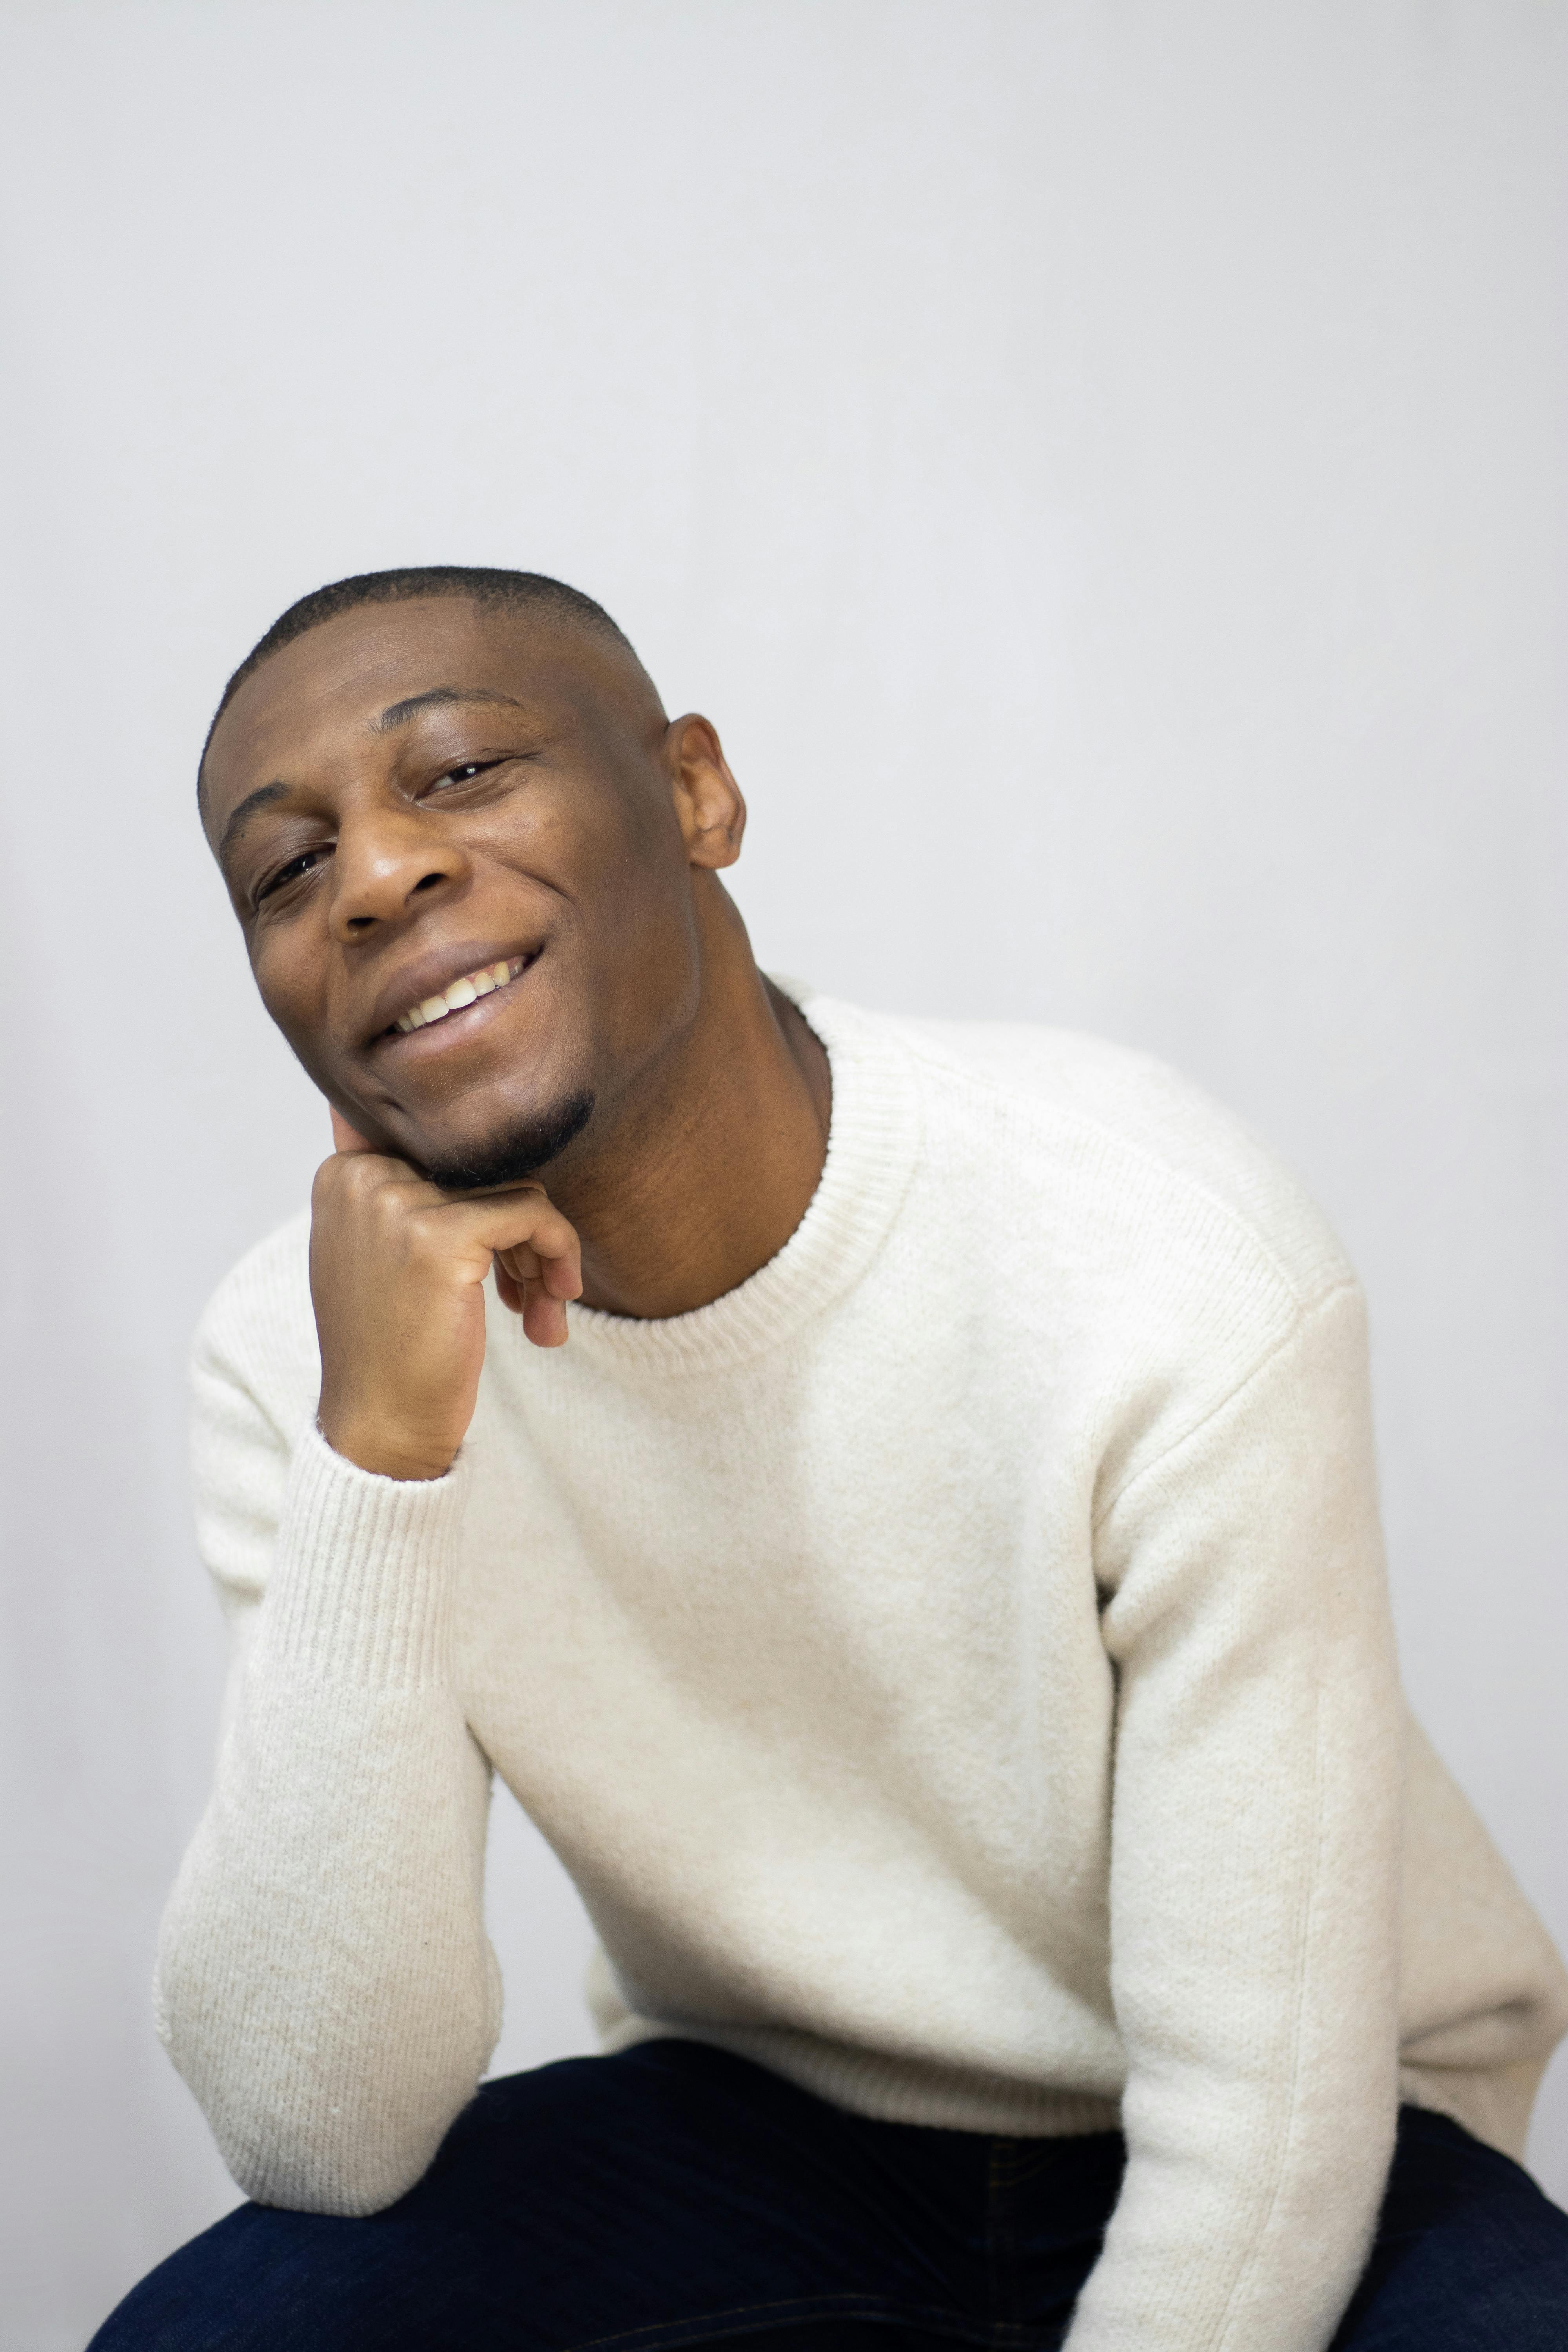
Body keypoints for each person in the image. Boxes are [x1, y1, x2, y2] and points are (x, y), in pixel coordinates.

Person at [94, 567, 1568, 2352]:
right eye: (286, 868)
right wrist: (383, 1459)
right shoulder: (302, 1363)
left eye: (464, 772)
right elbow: (315, 2133)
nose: (379, 875)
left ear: (697, 793)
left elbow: (1262, 2119)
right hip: (764, 2120)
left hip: (1323, 2121)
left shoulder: (1151, 1251)